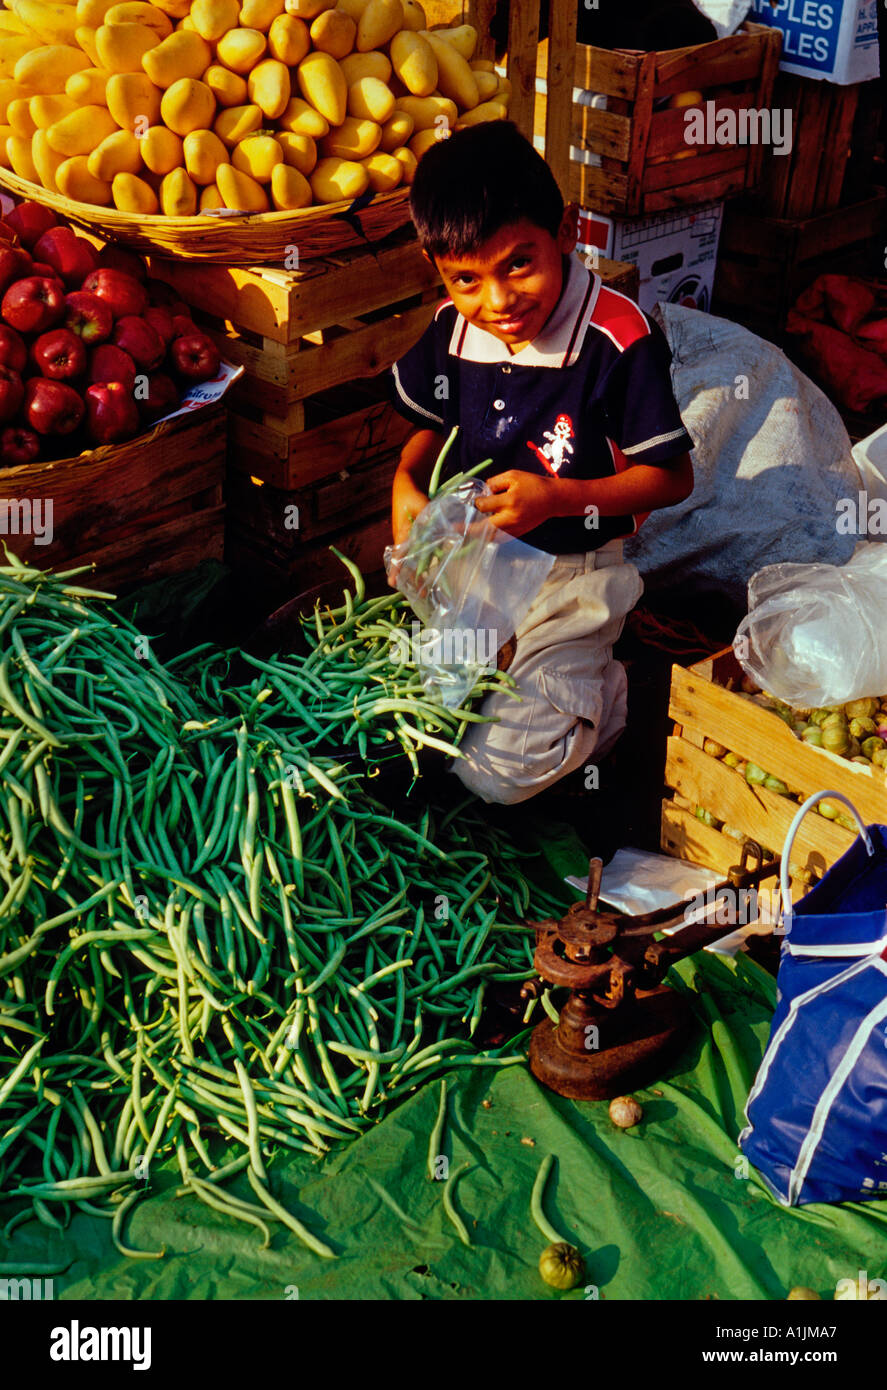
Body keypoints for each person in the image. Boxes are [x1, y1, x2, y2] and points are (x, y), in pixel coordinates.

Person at [387, 121, 694, 805]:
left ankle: (610, 702)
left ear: (567, 232)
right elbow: (430, 427)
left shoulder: (615, 338)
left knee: (492, 777)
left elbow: (672, 478)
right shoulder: (455, 327)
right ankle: (527, 680)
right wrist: (406, 482)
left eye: (517, 265)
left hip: (572, 573)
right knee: (410, 730)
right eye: (466, 279)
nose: (496, 301)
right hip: (477, 567)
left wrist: (558, 498)